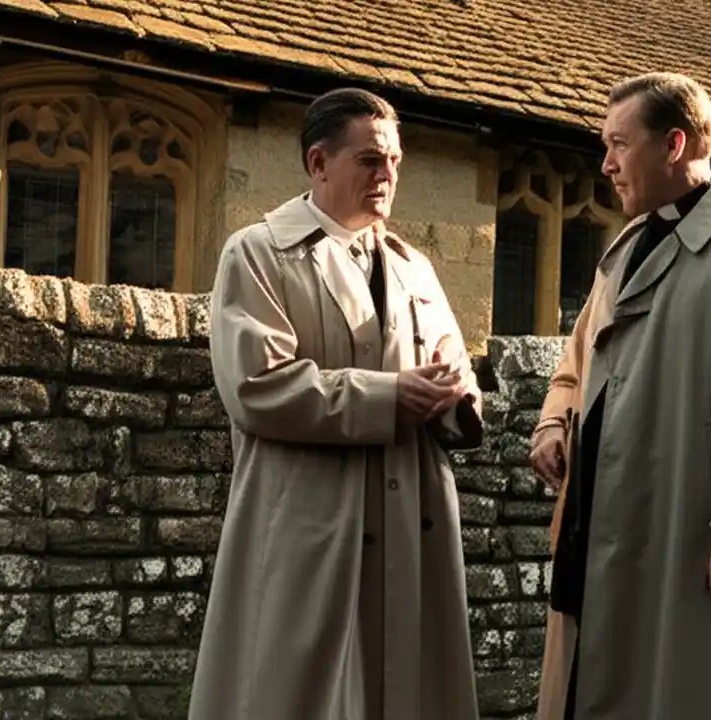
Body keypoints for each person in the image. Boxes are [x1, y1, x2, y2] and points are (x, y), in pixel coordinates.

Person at [529, 72, 711, 720]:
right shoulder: (624, 249)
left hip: (689, 534)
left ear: (674, 144)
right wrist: (553, 423)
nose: (604, 164)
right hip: (599, 529)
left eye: (618, 144)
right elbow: (577, 361)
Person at [189, 87, 485, 720]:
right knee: (297, 693)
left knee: (406, 691)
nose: (388, 176)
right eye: (371, 161)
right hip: (310, 518)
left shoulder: (416, 268)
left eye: (395, 162)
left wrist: (456, 397)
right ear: (318, 164)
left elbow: (454, 368)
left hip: (413, 520)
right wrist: (391, 396)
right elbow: (256, 385)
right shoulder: (258, 253)